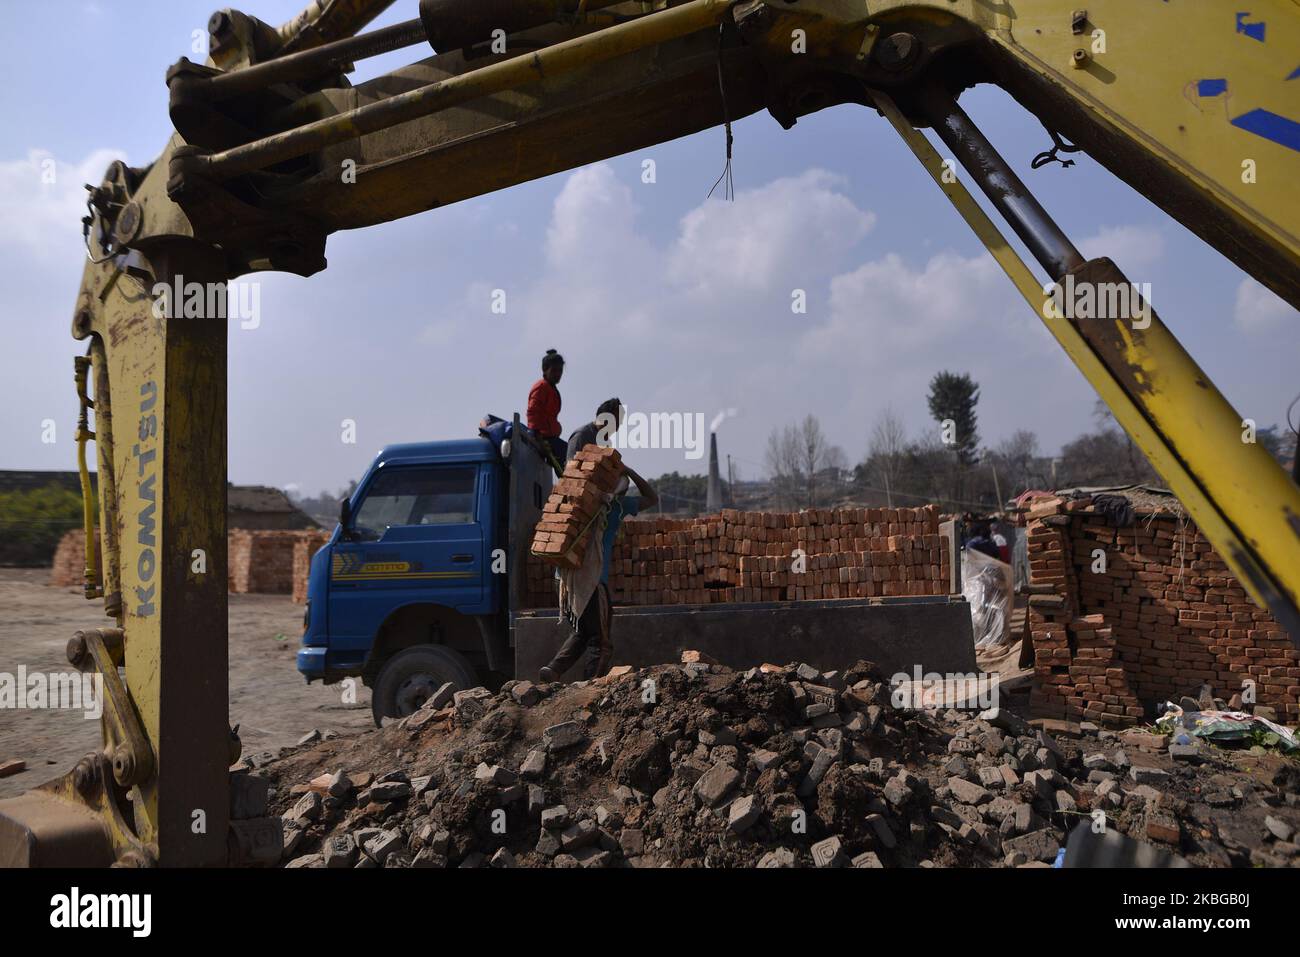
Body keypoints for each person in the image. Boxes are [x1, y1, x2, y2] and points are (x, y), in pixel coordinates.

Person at [539, 399, 658, 682]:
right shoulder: (614, 507)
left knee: (583, 632)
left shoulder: (598, 503)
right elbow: (652, 498)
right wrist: (628, 471)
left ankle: (552, 670)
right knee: (601, 641)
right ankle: (590, 690)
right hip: (591, 580)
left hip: (564, 577)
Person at [527, 349, 566, 463]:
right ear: (545, 370)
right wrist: (538, 438)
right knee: (568, 458)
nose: (558, 374)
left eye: (560, 370)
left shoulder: (551, 388)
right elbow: (533, 413)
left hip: (551, 438)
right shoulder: (541, 387)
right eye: (554, 370)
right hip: (543, 439)